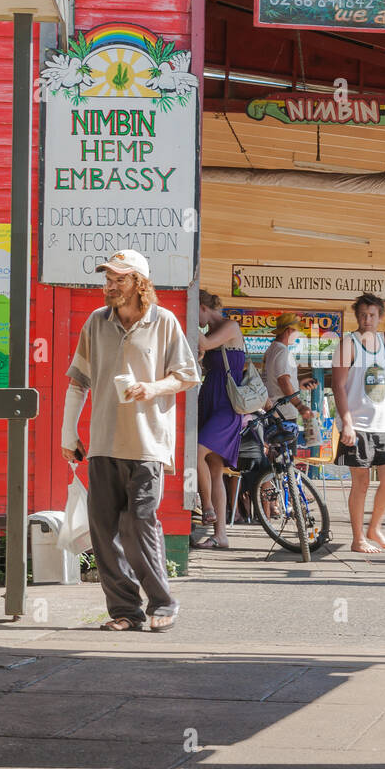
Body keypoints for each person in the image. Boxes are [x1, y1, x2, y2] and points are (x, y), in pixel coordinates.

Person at [61, 249, 201, 632]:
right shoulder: (96, 322)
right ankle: (125, 611)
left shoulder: (165, 322)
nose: (109, 285)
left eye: (119, 279)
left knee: (139, 524)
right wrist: (67, 433)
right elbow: (79, 381)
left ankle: (163, 602)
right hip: (103, 442)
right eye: (107, 278)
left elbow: (188, 376)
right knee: (103, 533)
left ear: (139, 282)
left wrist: (153, 388)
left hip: (147, 445)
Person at [331, 292, 385, 553]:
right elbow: (337, 385)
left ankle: (375, 527)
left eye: (372, 315)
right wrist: (346, 423)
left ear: (380, 316)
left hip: (382, 423)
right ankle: (358, 538)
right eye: (362, 314)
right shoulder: (346, 344)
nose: (367, 319)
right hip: (358, 423)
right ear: (356, 316)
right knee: (360, 483)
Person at [194, 290, 247, 549]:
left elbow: (203, 343)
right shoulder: (214, 332)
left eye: (194, 311)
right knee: (214, 468)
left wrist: (184, 319)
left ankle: (206, 507)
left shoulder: (230, 326)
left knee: (197, 451)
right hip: (210, 398)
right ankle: (221, 535)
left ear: (202, 307)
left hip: (227, 403)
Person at [264, 313, 315, 424]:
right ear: (289, 331)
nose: (298, 335)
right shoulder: (282, 351)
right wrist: (299, 406)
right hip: (284, 414)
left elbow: (278, 381)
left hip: (275, 412)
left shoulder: (271, 350)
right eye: (297, 331)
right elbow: (283, 381)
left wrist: (299, 384)